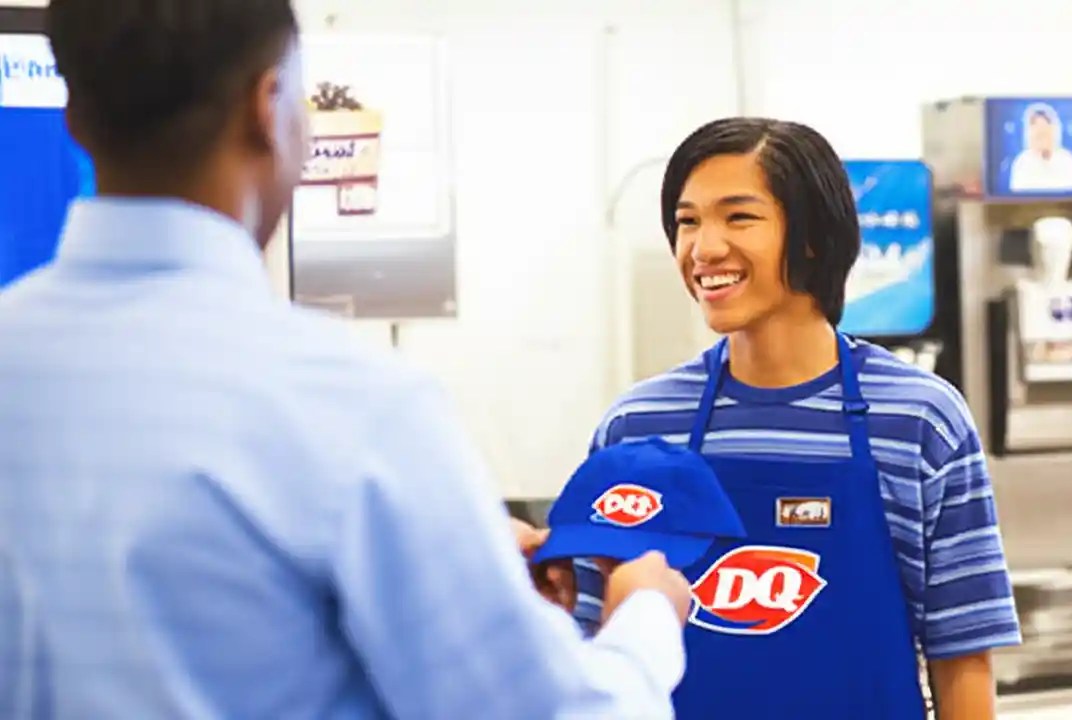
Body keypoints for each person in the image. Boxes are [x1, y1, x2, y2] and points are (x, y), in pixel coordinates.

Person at [0, 1, 691, 718]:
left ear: (74, 116)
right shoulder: (354, 406)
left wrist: (459, 556)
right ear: (268, 109)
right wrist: (644, 618)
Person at [567, 118, 1021, 719]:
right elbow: (594, 651)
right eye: (687, 220)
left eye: (738, 217)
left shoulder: (918, 419)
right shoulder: (639, 425)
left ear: (811, 237)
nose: (703, 248)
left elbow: (962, 654)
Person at [1009, 103, 1072, 192]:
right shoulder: (1022, 162)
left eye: (1045, 129)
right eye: (1036, 128)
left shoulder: (1067, 159)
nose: (1041, 133)